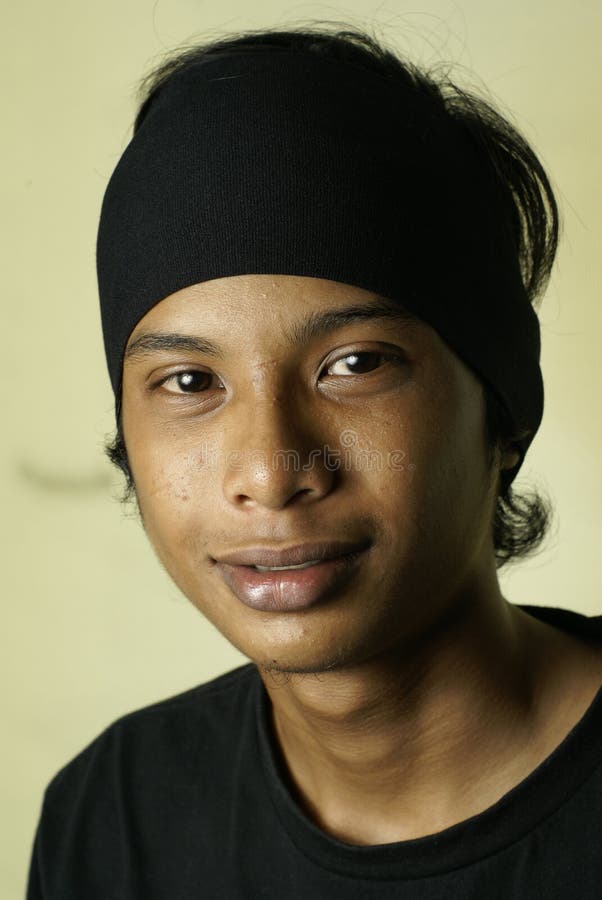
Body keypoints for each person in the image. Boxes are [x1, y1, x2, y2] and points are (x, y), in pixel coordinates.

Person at [26, 24, 602, 899]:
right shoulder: (115, 812)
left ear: (502, 406)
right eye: (189, 380)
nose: (268, 470)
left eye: (355, 365)